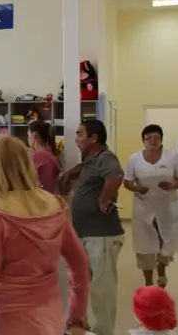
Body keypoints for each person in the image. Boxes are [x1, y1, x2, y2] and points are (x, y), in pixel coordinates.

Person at [0, 136, 89, 335]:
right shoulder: (54, 205)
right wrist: (76, 316)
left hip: (12, 319)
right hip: (51, 315)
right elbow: (80, 263)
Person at [59, 119, 124, 335]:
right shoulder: (90, 159)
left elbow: (116, 175)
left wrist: (104, 199)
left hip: (101, 234)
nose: (76, 138)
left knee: (102, 289)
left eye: (80, 134)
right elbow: (88, 169)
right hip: (84, 233)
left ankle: (104, 331)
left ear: (94, 138)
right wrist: (71, 174)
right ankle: (81, 326)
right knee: (82, 283)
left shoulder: (106, 157)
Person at [123, 124, 178, 288]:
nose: (152, 141)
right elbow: (127, 182)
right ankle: (149, 282)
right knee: (145, 244)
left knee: (167, 242)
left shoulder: (172, 158)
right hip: (144, 205)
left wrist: (172, 184)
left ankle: (162, 267)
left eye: (156, 137)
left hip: (167, 206)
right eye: (148, 138)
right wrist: (137, 188)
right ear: (143, 141)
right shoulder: (134, 159)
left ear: (161, 139)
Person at [28, 120, 61, 193]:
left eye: (28, 135)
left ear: (34, 136)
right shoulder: (50, 154)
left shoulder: (38, 155)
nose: (28, 139)